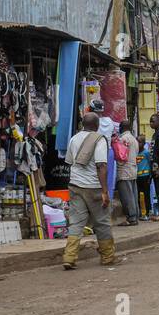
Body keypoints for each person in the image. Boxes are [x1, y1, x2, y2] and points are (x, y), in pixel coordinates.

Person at [62, 112, 116, 270]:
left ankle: (69, 257)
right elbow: (101, 165)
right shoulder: (99, 140)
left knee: (76, 223)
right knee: (102, 222)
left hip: (75, 185)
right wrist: (105, 191)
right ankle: (107, 256)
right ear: (97, 125)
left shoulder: (73, 138)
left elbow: (70, 162)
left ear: (82, 124)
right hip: (93, 188)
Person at [114, 119, 141, 226]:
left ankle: (131, 218)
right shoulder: (134, 139)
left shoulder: (122, 139)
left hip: (124, 170)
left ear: (121, 128)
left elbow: (121, 156)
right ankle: (135, 216)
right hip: (133, 169)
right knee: (133, 194)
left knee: (126, 196)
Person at [136, 136, 152, 220]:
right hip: (137, 177)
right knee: (138, 195)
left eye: (140, 142)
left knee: (146, 195)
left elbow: (150, 164)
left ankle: (148, 211)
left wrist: (150, 176)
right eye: (137, 142)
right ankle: (141, 212)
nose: (138, 144)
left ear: (144, 143)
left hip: (145, 176)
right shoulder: (134, 153)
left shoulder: (146, 153)